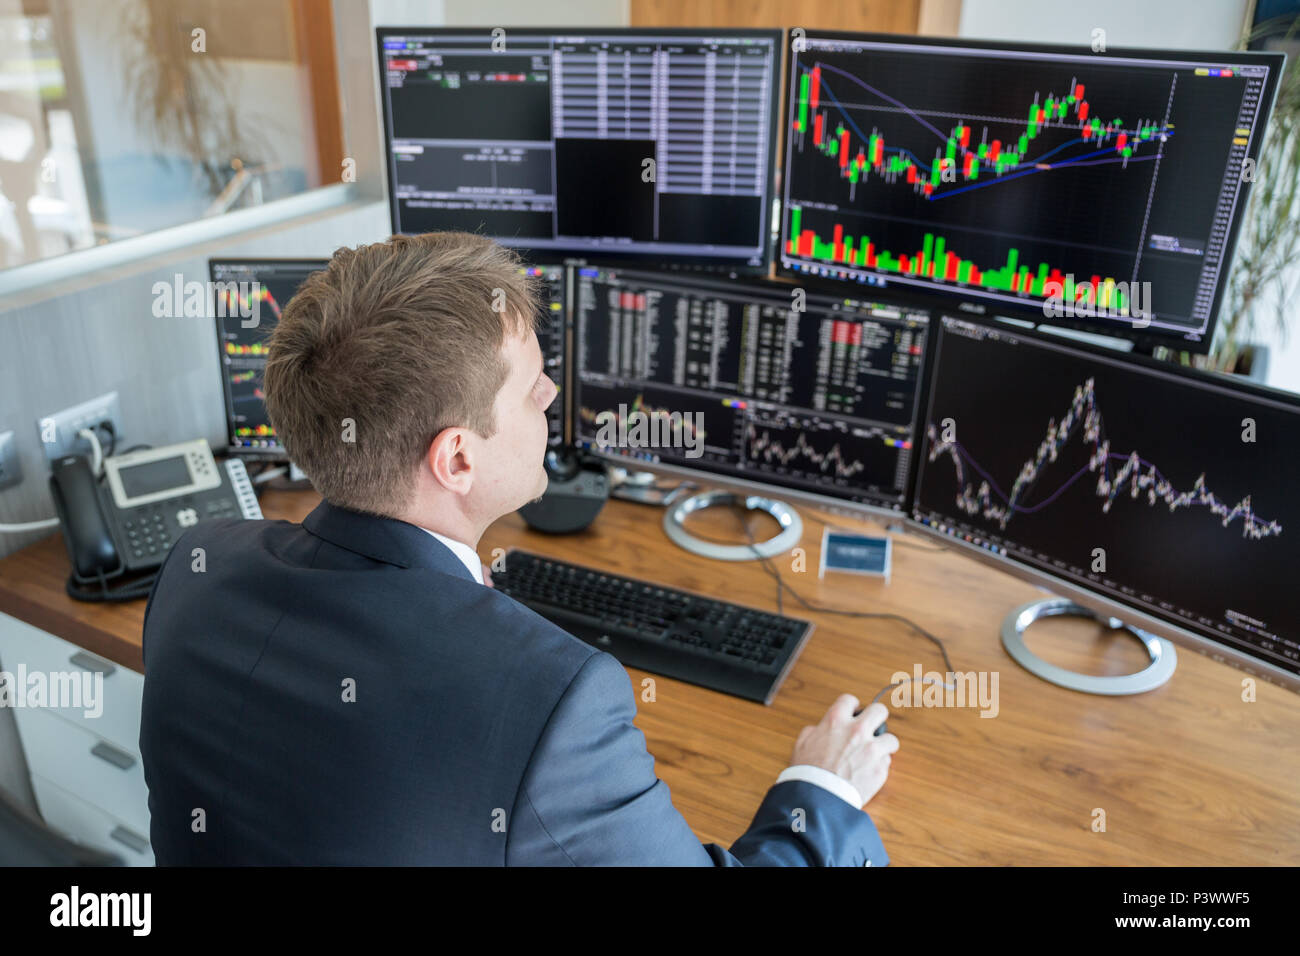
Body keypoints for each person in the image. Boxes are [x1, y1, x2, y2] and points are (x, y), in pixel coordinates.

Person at [138, 232, 899, 865]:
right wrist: (820, 789)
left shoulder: (195, 572)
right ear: (457, 459)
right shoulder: (557, 702)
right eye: (532, 385)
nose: (551, 395)